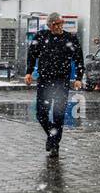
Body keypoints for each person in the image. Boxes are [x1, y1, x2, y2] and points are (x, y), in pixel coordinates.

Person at [25, 12, 84, 157]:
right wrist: (29, 72)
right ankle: (52, 138)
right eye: (55, 24)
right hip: (45, 80)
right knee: (41, 114)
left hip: (61, 82)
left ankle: (54, 145)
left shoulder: (69, 38)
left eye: (60, 24)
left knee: (58, 115)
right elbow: (32, 55)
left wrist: (78, 77)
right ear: (50, 25)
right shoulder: (41, 36)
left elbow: (78, 59)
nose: (59, 27)